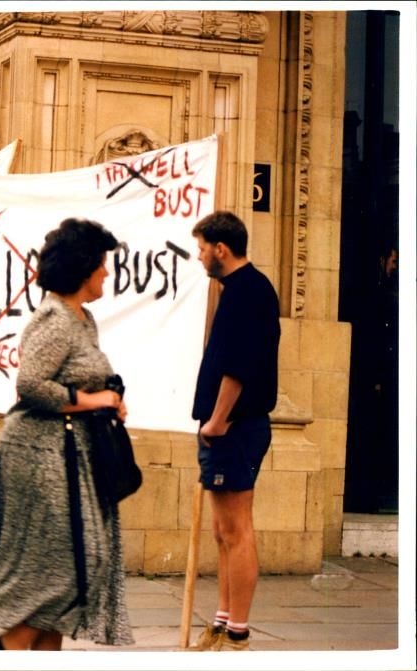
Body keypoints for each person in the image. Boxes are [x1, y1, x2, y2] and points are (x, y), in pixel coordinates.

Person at [0, 218, 133, 650]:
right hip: (40, 459)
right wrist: (95, 401)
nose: (107, 272)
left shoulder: (82, 319)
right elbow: (30, 385)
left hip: (71, 457)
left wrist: (109, 396)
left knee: (64, 581)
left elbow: (77, 378)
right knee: (62, 571)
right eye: (102, 264)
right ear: (83, 267)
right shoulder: (53, 318)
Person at [189, 211, 279, 652]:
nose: (200, 256)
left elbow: (239, 367)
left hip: (234, 428)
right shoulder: (237, 291)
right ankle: (223, 623)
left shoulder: (248, 292)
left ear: (221, 248)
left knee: (237, 529)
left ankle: (237, 633)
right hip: (227, 428)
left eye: (202, 248)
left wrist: (219, 420)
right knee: (223, 531)